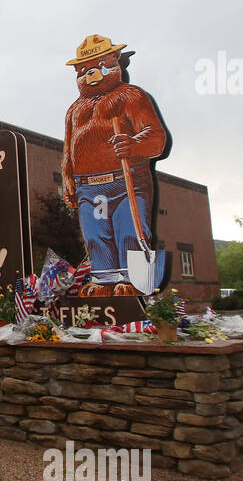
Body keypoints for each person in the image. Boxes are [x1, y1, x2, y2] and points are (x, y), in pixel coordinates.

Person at [60, 35, 168, 295]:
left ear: (116, 63)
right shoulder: (74, 109)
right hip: (90, 188)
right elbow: (68, 148)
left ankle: (135, 282)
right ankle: (104, 282)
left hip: (125, 180)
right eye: (84, 71)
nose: (92, 75)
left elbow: (156, 137)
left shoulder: (131, 96)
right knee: (96, 236)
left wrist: (134, 145)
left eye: (100, 66)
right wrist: (68, 178)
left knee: (129, 231)